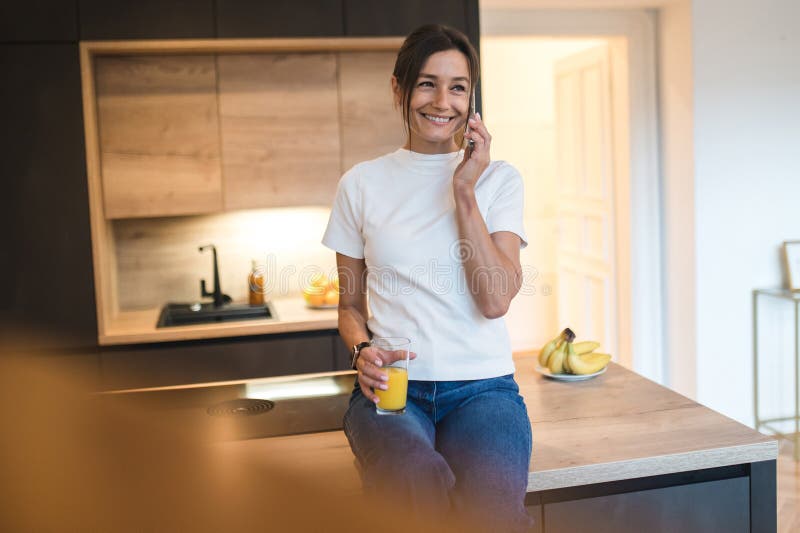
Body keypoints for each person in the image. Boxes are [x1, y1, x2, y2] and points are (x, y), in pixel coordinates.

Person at [322, 24, 533, 531]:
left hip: (484, 390)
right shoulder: (361, 184)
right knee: (412, 478)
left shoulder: (499, 179)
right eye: (426, 83)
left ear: (471, 98)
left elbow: (496, 300)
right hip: (394, 391)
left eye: (458, 86)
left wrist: (465, 189)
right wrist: (360, 352)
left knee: (492, 513)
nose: (443, 101)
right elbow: (350, 307)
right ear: (399, 89)